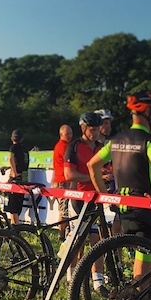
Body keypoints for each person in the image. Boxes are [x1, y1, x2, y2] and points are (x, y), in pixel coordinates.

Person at [87, 89, 151, 300]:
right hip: (148, 213)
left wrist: (105, 196)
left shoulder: (116, 139)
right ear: (147, 111)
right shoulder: (150, 140)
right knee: (141, 276)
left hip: (125, 212)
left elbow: (92, 165)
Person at [64, 112, 104, 286]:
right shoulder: (74, 147)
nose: (95, 133)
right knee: (77, 242)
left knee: (98, 241)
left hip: (97, 199)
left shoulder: (101, 147)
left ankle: (98, 281)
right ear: (83, 128)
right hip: (79, 199)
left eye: (97, 130)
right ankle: (72, 276)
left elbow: (108, 169)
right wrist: (93, 178)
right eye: (92, 130)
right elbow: (69, 174)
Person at [52, 125, 74, 239]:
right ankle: (61, 237)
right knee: (64, 211)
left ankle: (64, 234)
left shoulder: (62, 146)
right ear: (61, 135)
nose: (70, 136)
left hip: (61, 180)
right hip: (62, 181)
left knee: (65, 210)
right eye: (67, 134)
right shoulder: (64, 147)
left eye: (70, 133)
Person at [5, 129, 30, 224]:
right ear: (22, 139)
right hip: (24, 178)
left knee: (13, 207)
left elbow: (11, 158)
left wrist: (14, 173)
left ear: (12, 138)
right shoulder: (25, 149)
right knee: (18, 205)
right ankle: (16, 225)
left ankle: (15, 227)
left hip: (16, 178)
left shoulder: (13, 148)